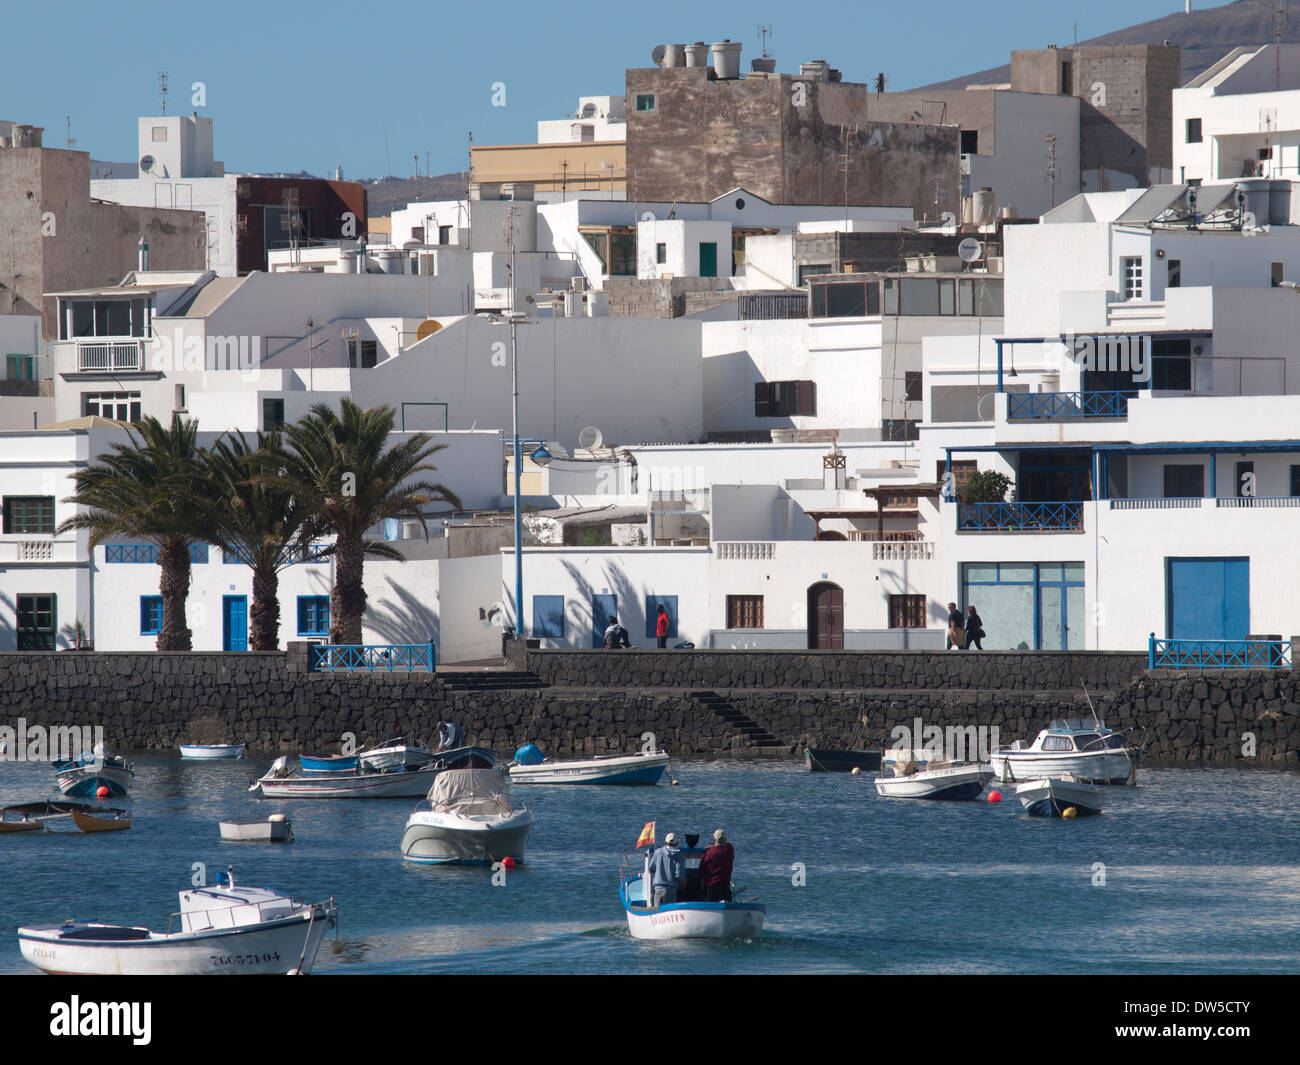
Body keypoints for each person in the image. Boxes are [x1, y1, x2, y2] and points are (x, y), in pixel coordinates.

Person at [648, 831, 684, 907]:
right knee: (670, 911)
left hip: (658, 888)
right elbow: (679, 874)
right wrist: (682, 884)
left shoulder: (657, 852)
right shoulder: (679, 855)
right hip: (671, 889)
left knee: (657, 913)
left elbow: (651, 868)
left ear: (665, 842)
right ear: (676, 843)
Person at [699, 829, 735, 903]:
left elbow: (701, 871)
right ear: (725, 839)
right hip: (725, 886)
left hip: (712, 887)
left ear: (714, 839)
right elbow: (728, 844)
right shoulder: (729, 850)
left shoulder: (709, 853)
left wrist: (712, 847)